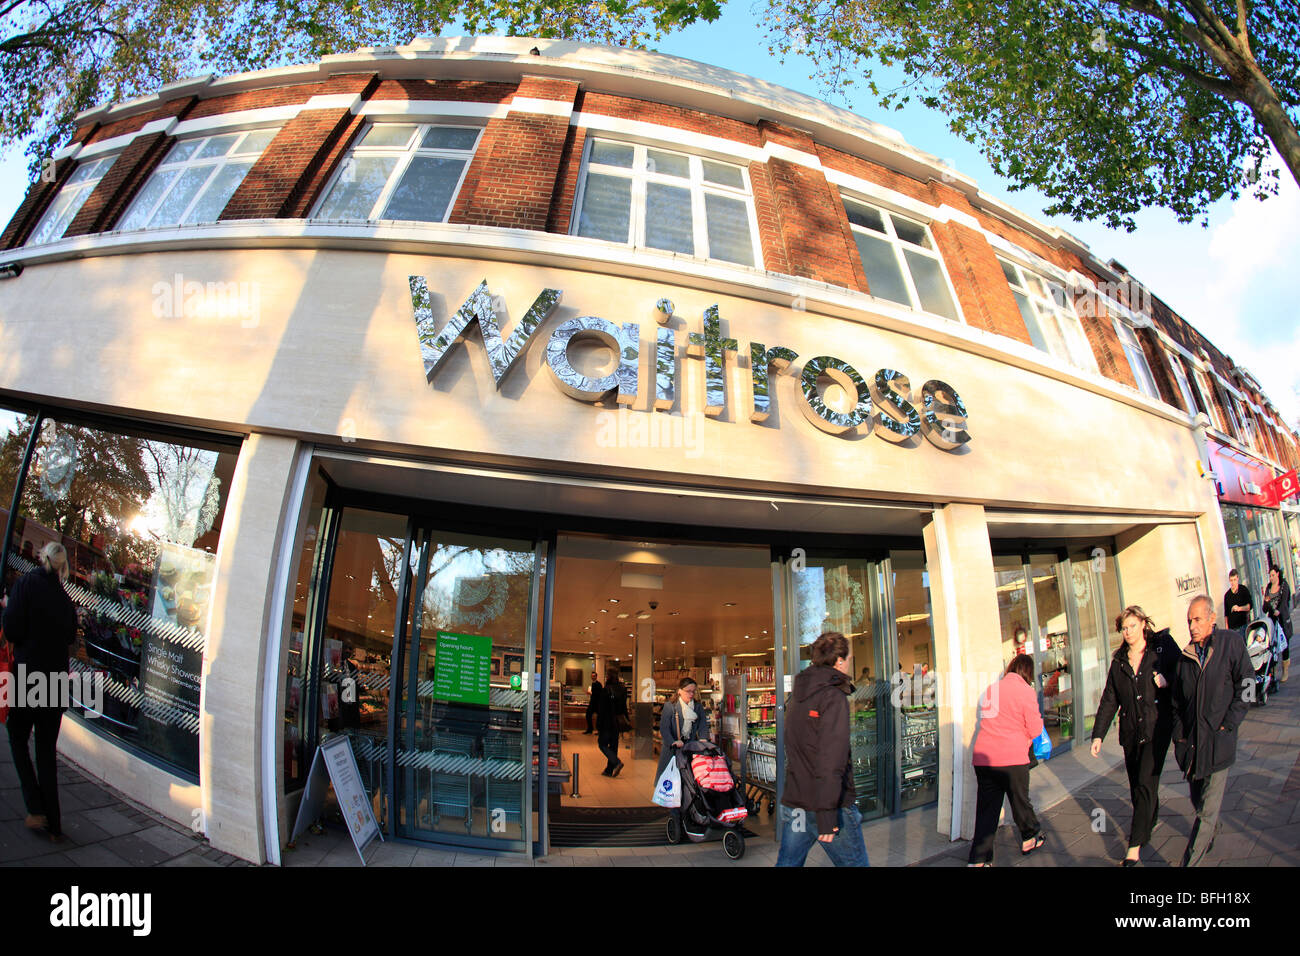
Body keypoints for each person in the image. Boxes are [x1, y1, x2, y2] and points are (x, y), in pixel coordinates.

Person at [1089, 606, 1180, 865]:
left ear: (1142, 623)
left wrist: (1167, 680)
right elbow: (1110, 698)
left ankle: (1134, 848)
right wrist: (1098, 735)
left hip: (1156, 729)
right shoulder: (1119, 661)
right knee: (1137, 786)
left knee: (1144, 783)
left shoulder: (1160, 649)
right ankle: (1148, 821)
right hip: (1130, 732)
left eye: (1132, 626)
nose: (1128, 632)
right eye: (1124, 628)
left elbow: (1183, 673)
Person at [2, 542, 78, 844]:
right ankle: (54, 826)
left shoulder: (26, 585)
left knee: (17, 735)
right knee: (46, 751)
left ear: (41, 557)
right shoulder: (64, 598)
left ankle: (35, 807)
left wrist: (9, 609)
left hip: (29, 673)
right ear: (61, 566)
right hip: (55, 680)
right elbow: (71, 637)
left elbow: (13, 628)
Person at [776, 631, 868, 867]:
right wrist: (827, 815)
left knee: (788, 863)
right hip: (827, 805)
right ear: (839, 661)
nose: (849, 663)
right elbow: (831, 759)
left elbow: (795, 746)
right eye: (848, 658)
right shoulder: (832, 697)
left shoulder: (798, 694)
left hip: (796, 799)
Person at [1171, 594, 1250, 867]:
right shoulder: (1185, 657)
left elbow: (1248, 684)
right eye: (1189, 621)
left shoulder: (1231, 643)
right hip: (1192, 746)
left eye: (1197, 619)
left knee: (1206, 811)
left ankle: (1189, 862)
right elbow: (1177, 704)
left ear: (1212, 618)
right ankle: (1211, 833)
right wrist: (1179, 737)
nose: (1192, 626)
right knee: (1199, 802)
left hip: (1219, 742)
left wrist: (1229, 723)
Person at [968, 654, 1045, 866]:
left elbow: (987, 718)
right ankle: (1030, 838)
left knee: (987, 811)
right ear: (1028, 673)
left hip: (984, 759)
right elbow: (1036, 728)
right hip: (1012, 759)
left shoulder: (992, 689)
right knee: (1020, 802)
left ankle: (978, 860)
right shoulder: (1026, 691)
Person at [657, 677, 710, 826]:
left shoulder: (697, 707)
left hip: (690, 750)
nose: (691, 694)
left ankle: (688, 810)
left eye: (693, 691)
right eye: (688, 691)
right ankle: (675, 815)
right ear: (680, 691)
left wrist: (704, 739)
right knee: (675, 782)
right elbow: (664, 728)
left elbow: (702, 726)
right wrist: (673, 741)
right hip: (674, 750)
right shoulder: (671, 706)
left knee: (689, 781)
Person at [1263, 566, 1291, 686]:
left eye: (1273, 575)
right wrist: (1267, 603)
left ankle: (1285, 669)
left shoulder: (1284, 586)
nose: (1271, 578)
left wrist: (1278, 611)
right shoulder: (1269, 588)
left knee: (1284, 644)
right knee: (1272, 646)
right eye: (1270, 576)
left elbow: (1285, 602)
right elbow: (1265, 607)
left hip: (1282, 619)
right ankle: (1273, 671)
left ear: (1278, 574)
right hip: (1272, 620)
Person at [596, 670, 627, 777]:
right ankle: (609, 770)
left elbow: (601, 709)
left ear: (608, 677)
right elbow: (624, 708)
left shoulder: (606, 690)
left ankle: (617, 762)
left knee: (602, 744)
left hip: (606, 722)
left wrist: (598, 724)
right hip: (617, 723)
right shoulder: (623, 690)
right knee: (614, 746)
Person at [1223, 569, 1253, 635]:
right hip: (1232, 628)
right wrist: (1227, 629)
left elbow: (1249, 606)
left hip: (1243, 625)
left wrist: (1239, 608)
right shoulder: (1227, 595)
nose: (1233, 582)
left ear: (1238, 579)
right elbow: (1226, 614)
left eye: (1234, 580)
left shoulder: (1243, 590)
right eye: (1231, 580)